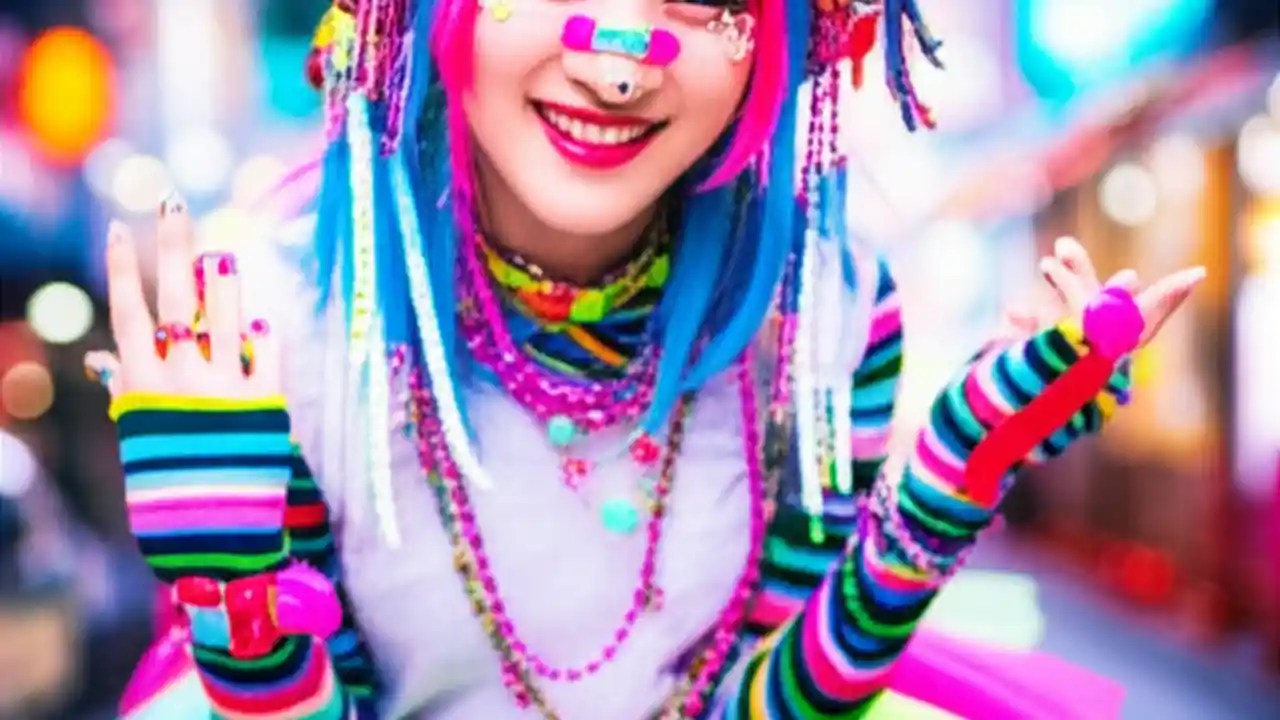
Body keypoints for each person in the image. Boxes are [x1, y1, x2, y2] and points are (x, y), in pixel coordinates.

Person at [91, 0, 1205, 717]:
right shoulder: (275, 316)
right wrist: (234, 595)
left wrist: (947, 482)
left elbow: (763, 707)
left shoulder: (820, 314)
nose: (619, 60)